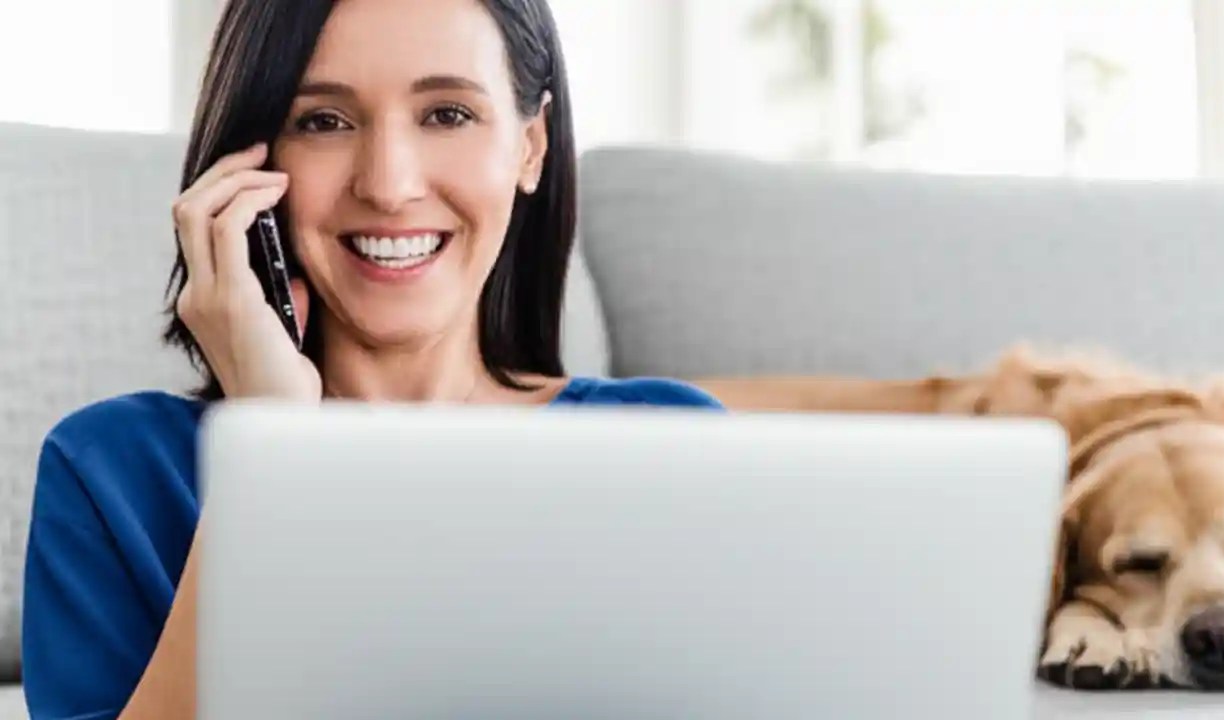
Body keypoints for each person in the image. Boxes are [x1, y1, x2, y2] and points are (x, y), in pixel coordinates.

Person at [21, 0, 722, 717]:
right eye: (323, 121)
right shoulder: (113, 473)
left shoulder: (673, 444)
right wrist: (273, 446)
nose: (388, 186)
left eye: (447, 114)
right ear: (250, 166)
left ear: (531, 146)